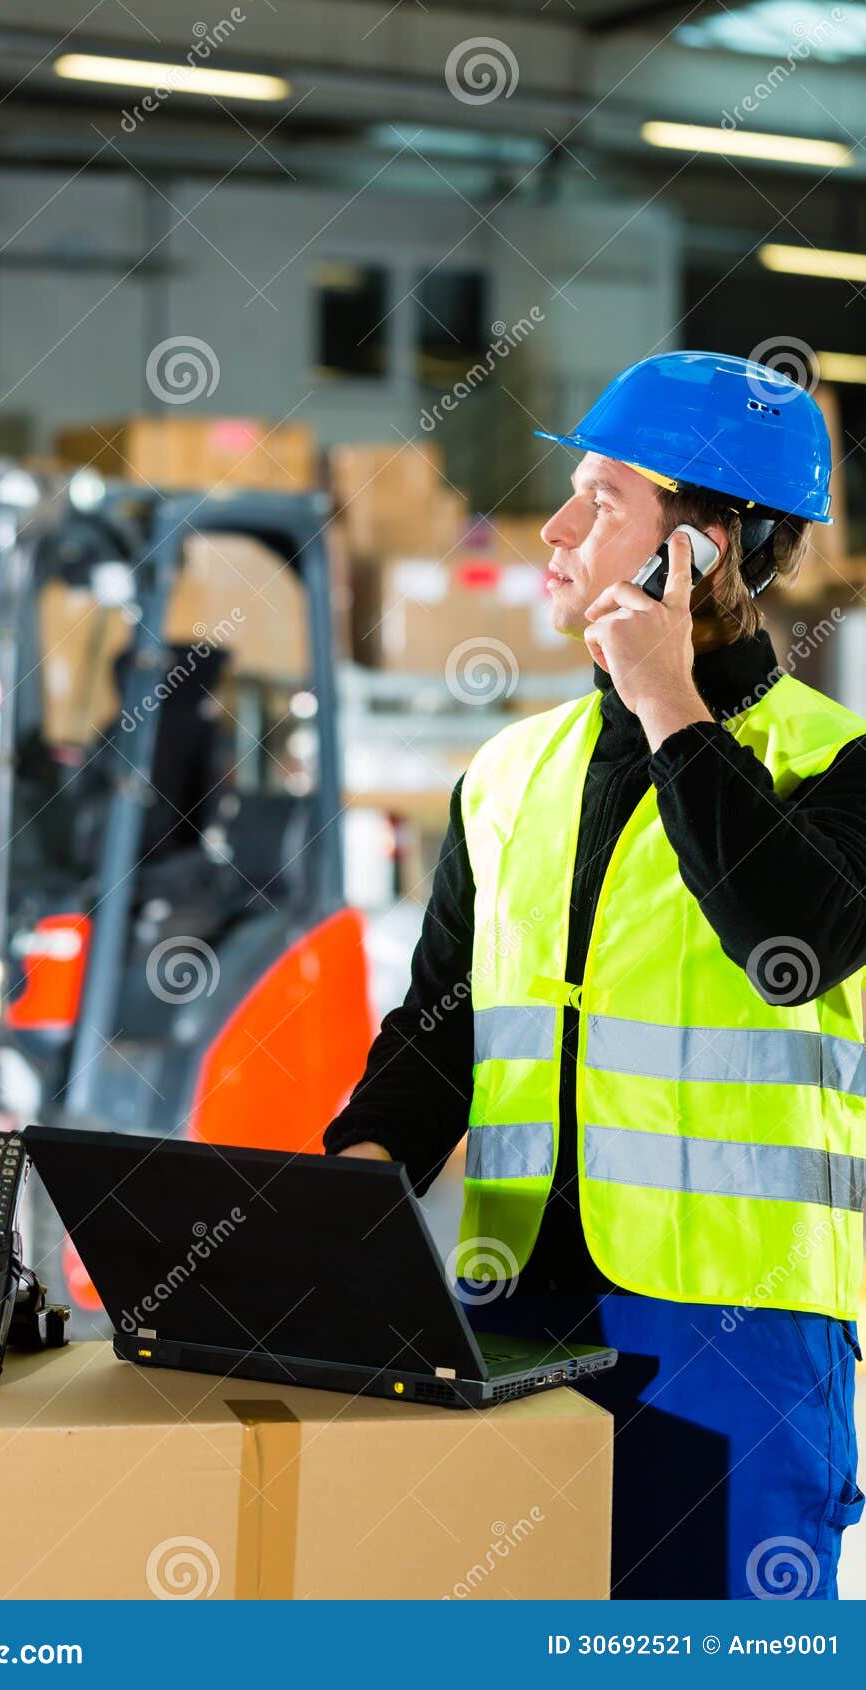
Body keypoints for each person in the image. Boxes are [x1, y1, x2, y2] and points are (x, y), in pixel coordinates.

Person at [324, 351, 866, 1600]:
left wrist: (669, 703)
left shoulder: (835, 764)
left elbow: (787, 944)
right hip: (511, 1308)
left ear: (703, 550)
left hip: (733, 1332)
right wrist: (359, 1175)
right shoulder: (510, 773)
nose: (556, 528)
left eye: (602, 497)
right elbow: (438, 1025)